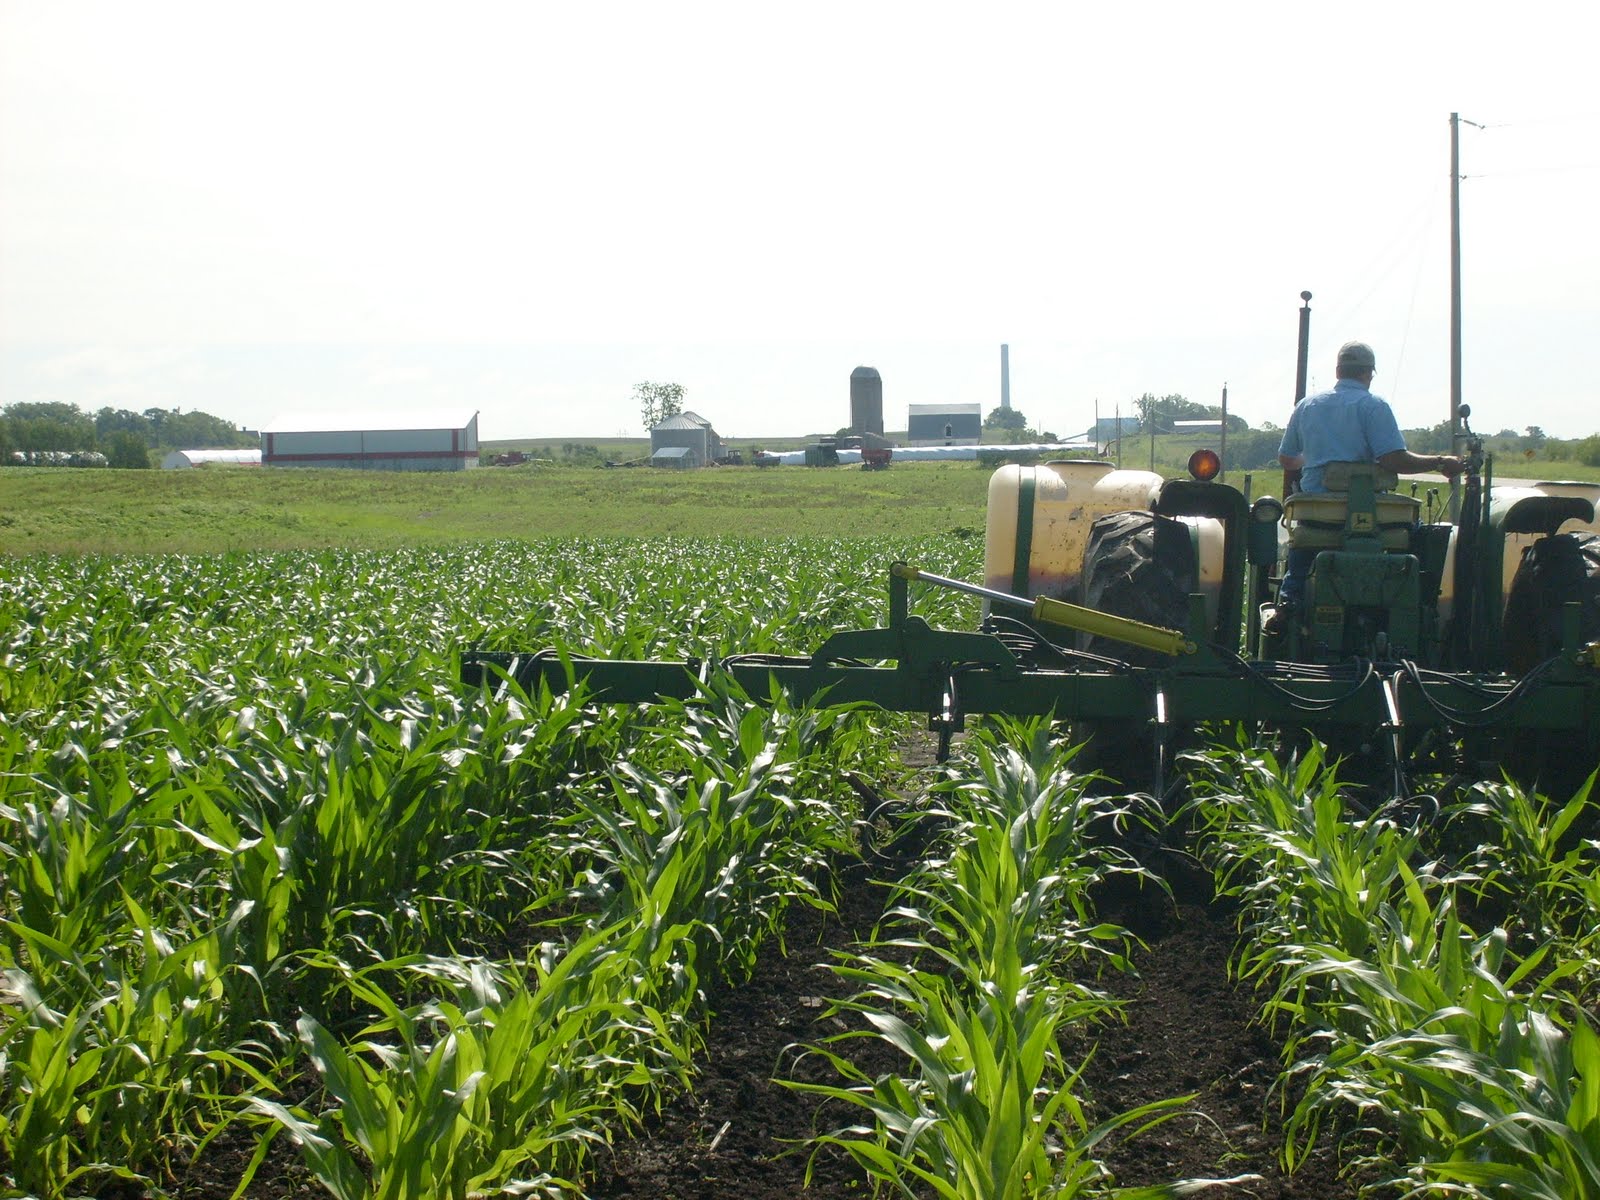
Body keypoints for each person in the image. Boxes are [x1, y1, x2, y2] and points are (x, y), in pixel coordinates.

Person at [1273, 340, 1463, 611]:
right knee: (1419, 533)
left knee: (1300, 558)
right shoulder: (1374, 406)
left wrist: (1317, 458)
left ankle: (1290, 601)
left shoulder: (1307, 406)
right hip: (1372, 521)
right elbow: (1394, 459)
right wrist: (1440, 461)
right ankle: (1419, 600)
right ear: (1368, 373)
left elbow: (1287, 458)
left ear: (1338, 372)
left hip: (1317, 516)